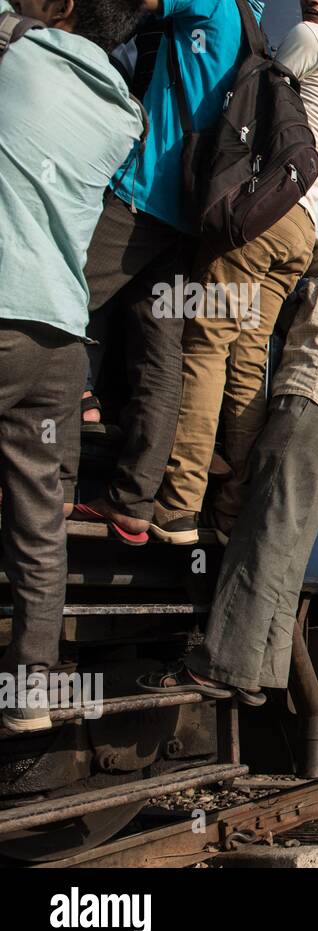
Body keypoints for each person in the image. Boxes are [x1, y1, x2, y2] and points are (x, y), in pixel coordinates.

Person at [138, 180, 318, 703]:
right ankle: (262, 670)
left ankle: (220, 665)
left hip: (310, 398)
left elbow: (292, 249)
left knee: (264, 530)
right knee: (289, 548)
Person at [153, 0, 318, 545]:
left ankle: (178, 506)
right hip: (299, 227)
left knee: (205, 345)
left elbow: (254, 101)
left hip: (260, 219)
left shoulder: (309, 38)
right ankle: (230, 510)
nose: (314, 0)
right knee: (249, 363)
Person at [66, 0, 264, 546]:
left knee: (58, 305)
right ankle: (133, 500)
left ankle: (51, 474)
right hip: (188, 217)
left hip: (143, 196)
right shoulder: (251, 24)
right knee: (160, 353)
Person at [0, 0, 147, 731]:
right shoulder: (124, 118)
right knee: (39, 522)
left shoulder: (16, 53)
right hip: (60, 339)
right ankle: (30, 687)